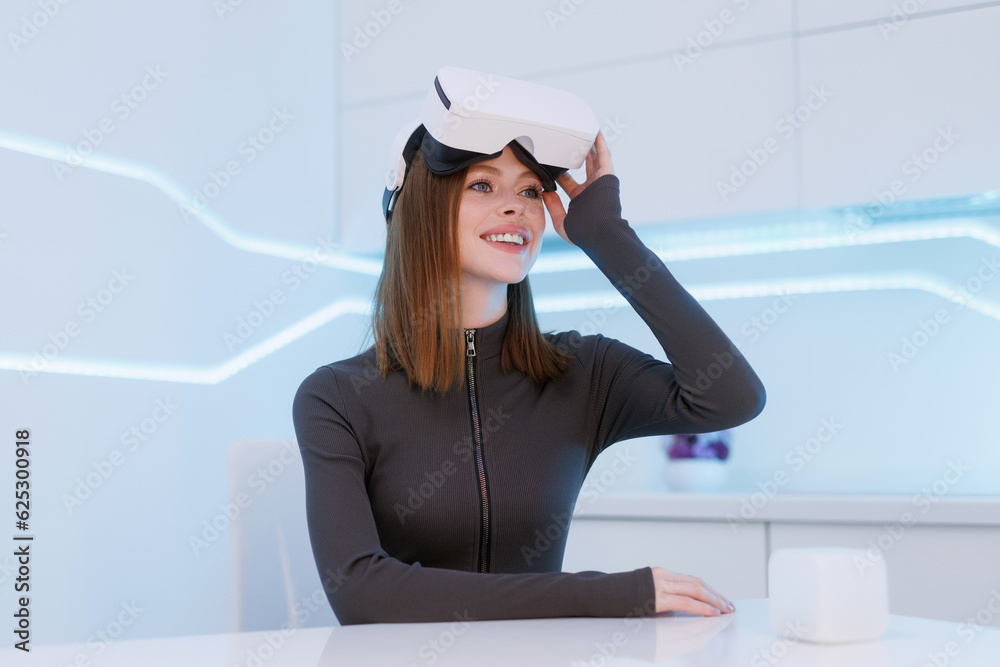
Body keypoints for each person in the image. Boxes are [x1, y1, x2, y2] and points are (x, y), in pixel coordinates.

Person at [292, 71, 766, 626]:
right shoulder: (338, 398)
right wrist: (605, 595)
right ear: (419, 207)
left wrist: (608, 236)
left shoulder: (582, 372)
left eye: (529, 191)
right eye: (482, 185)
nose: (517, 208)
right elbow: (360, 592)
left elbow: (731, 396)